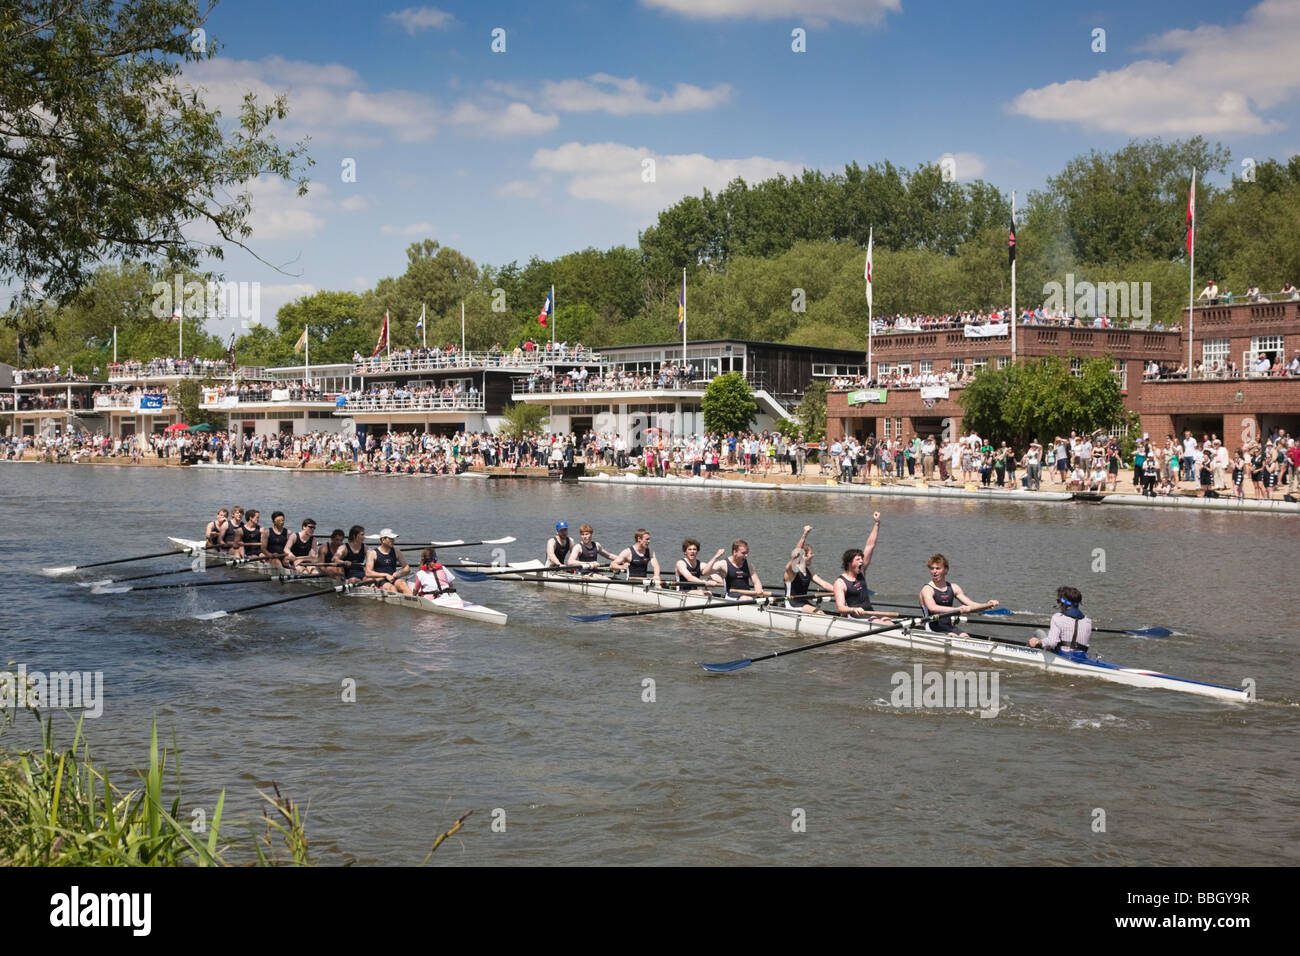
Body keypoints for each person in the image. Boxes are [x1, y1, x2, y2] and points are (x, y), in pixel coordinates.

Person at [918, 554, 999, 638]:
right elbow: (933, 608)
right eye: (932, 568)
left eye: (938, 568)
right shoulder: (927, 589)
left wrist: (987, 605)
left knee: (965, 636)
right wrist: (958, 609)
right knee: (953, 636)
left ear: (946, 570)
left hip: (949, 626)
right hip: (932, 627)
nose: (934, 571)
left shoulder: (954, 588)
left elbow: (971, 605)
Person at [833, 513, 891, 623]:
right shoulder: (840, 583)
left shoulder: (861, 572)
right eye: (858, 559)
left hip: (870, 613)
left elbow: (870, 546)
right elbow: (840, 608)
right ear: (849, 563)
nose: (861, 561)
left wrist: (877, 523)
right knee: (881, 623)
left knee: (888, 621)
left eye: (861, 559)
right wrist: (853, 609)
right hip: (855, 616)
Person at [784, 526, 834, 612]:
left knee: (824, 612)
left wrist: (840, 591)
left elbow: (823, 584)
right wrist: (805, 534)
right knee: (819, 612)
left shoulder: (809, 570)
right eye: (811, 553)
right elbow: (796, 553)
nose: (813, 555)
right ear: (803, 556)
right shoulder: (792, 569)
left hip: (803, 602)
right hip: (791, 603)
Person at [1028, 586, 1092, 652]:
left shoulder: (1057, 617)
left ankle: (1028, 653)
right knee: (1048, 633)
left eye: (1058, 601)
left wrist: (1037, 642)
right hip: (1081, 657)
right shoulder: (1087, 621)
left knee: (1038, 632)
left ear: (1063, 603)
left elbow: (1052, 643)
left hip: (1062, 655)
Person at [366, 528, 412, 594]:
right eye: (390, 538)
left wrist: (399, 573)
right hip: (380, 580)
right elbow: (368, 572)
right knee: (391, 588)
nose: (393, 540)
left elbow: (407, 568)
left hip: (393, 578)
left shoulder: (396, 552)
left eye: (393, 538)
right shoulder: (373, 553)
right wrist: (385, 575)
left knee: (403, 584)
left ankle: (414, 601)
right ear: (383, 540)